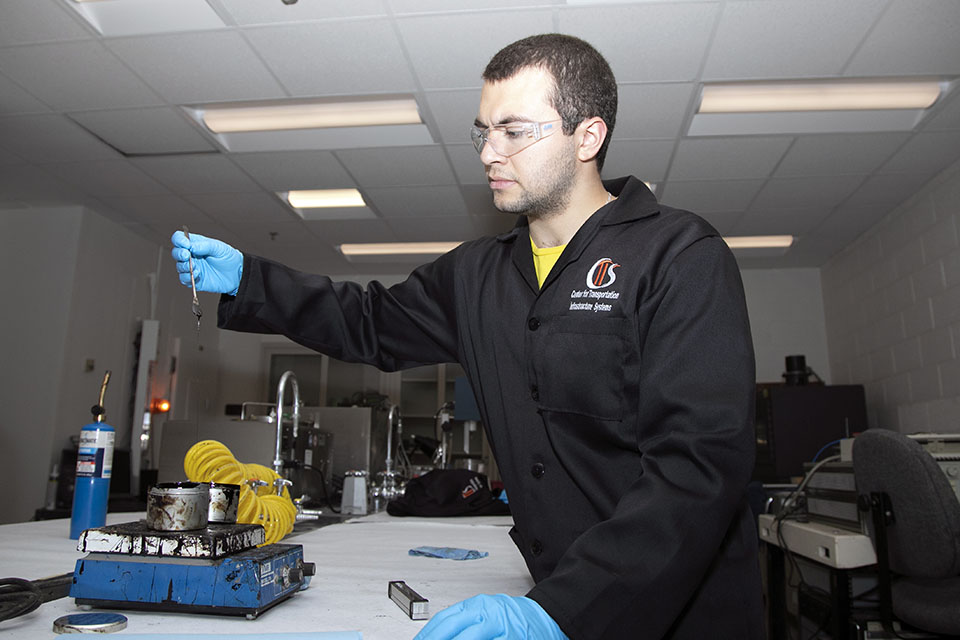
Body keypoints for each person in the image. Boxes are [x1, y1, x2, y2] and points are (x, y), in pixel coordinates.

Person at [171, 34, 763, 640]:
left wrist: (561, 612)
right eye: (483, 131)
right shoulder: (478, 274)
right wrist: (253, 279)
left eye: (514, 130)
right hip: (558, 596)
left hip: (684, 614)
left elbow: (697, 468)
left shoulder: (679, 256)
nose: (488, 152)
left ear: (588, 137)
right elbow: (370, 321)